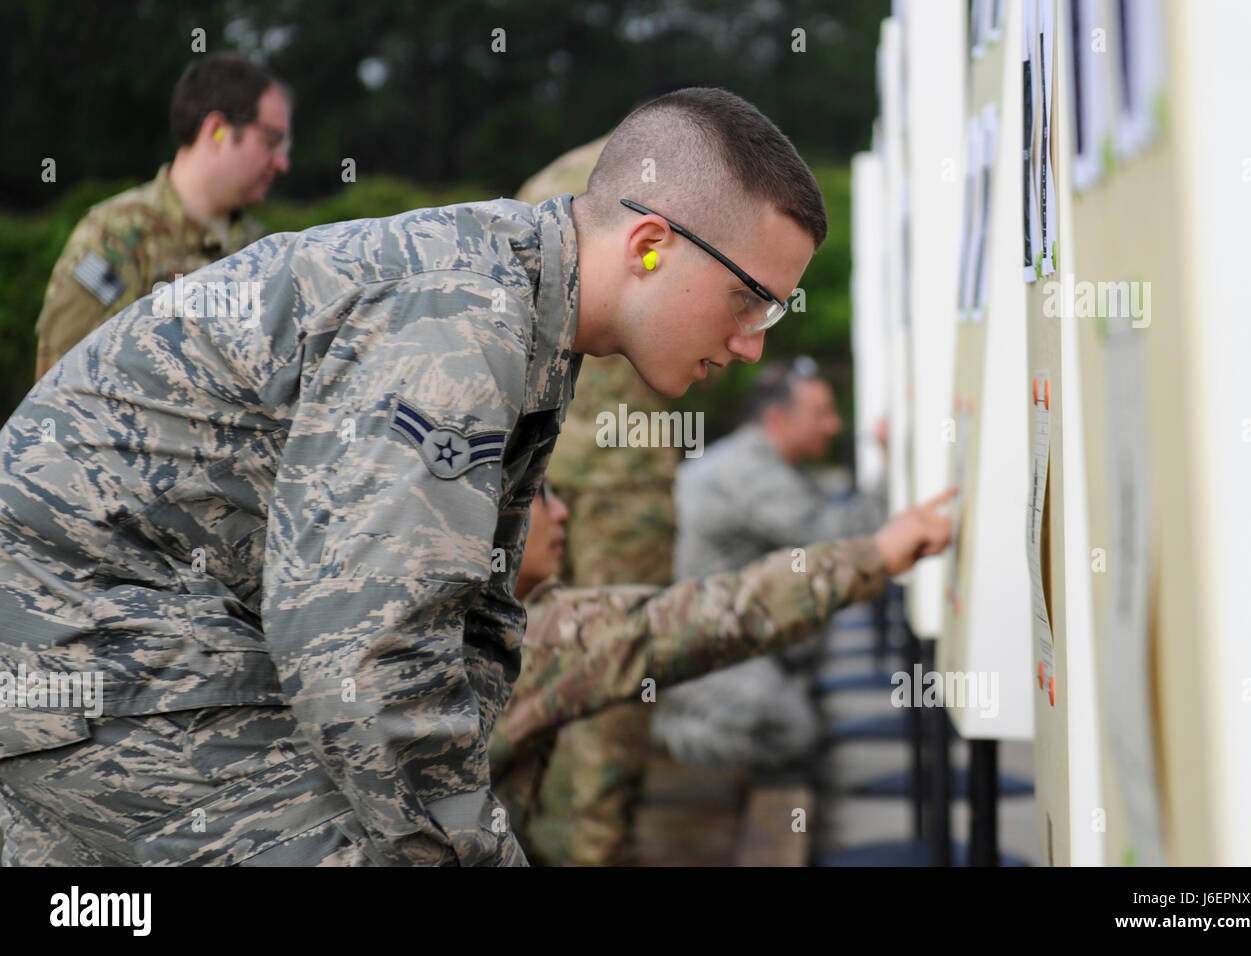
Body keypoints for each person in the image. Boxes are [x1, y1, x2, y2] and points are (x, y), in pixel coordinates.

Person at [0, 87, 824, 866]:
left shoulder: (522, 300)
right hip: (84, 645)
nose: (754, 344)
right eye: (749, 300)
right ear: (651, 247)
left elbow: (457, 622)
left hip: (129, 637)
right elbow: (370, 662)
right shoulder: (460, 322)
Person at [489, 479, 955, 854]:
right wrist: (872, 555)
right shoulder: (526, 637)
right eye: (541, 495)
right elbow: (715, 616)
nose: (563, 512)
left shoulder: (481, 623)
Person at [515, 134, 677, 866]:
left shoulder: (550, 177)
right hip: (625, 475)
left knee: (530, 656)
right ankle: (598, 848)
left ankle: (533, 837)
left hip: (541, 465)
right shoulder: (687, 180)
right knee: (622, 661)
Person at [656, 358, 887, 770]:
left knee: (799, 710)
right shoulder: (749, 470)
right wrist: (893, 468)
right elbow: (843, 536)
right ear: (779, 419)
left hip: (720, 630)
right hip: (703, 642)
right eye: (821, 414)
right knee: (793, 729)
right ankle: (656, 736)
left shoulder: (762, 460)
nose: (833, 425)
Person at [32, 52, 291, 380]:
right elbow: (62, 389)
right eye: (271, 142)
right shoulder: (117, 236)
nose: (283, 164)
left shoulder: (266, 251)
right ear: (216, 130)